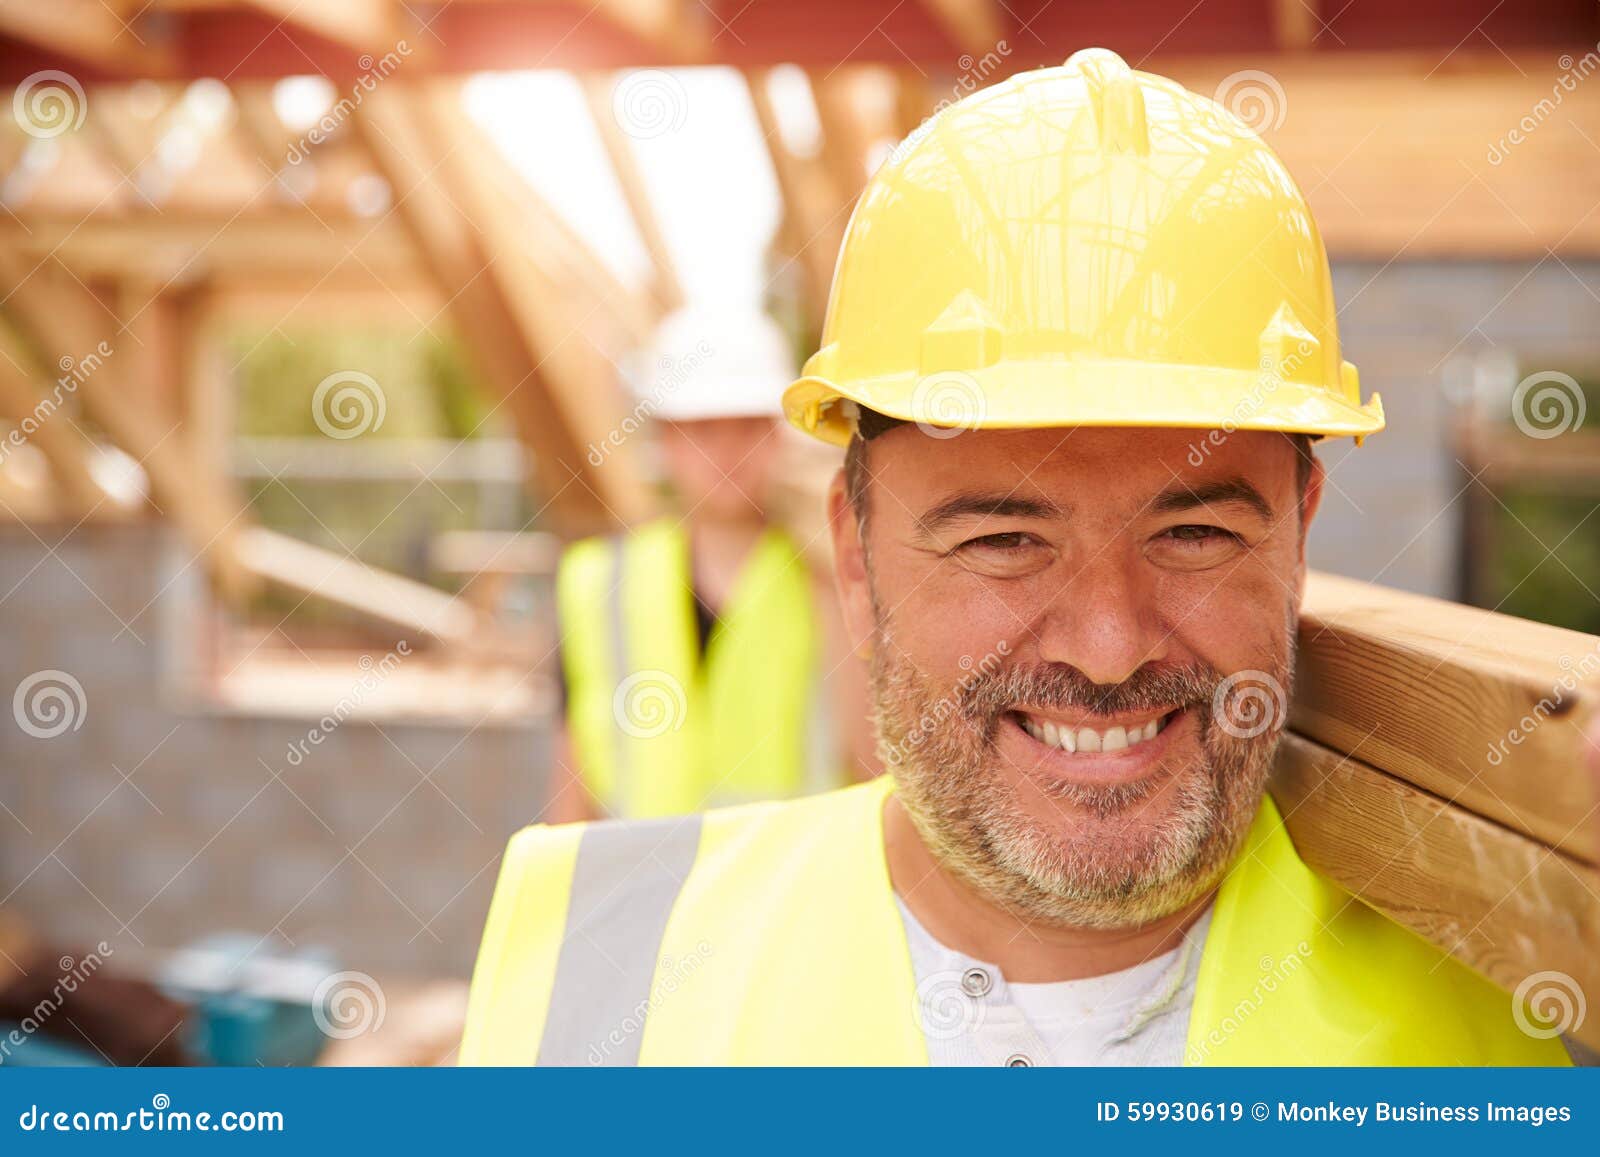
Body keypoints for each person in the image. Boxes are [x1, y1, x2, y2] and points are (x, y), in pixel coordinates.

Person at [463, 49, 1569, 1065]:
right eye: (1002, 540)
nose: (1104, 647)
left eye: (1192, 534)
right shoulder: (600, 974)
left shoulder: (1508, 996)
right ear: (856, 561)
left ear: (1299, 537)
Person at [546, 305, 870, 823]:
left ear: (778, 434)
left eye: (745, 427)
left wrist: (842, 571)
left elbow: (870, 766)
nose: (726, 452)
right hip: (647, 896)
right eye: (703, 429)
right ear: (665, 439)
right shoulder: (598, 582)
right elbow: (574, 783)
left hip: (786, 896)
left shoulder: (825, 573)